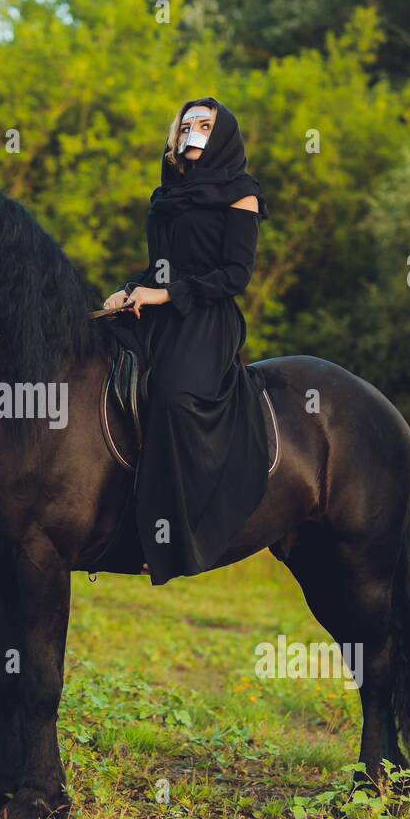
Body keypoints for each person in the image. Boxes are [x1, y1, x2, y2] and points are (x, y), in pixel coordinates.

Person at [102, 97, 271, 585]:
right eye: (186, 124)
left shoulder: (241, 194)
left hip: (205, 315)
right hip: (157, 307)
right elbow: (160, 264)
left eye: (205, 125)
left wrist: (165, 294)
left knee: (173, 398)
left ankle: (169, 537)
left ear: (222, 136)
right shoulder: (166, 194)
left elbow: (235, 275)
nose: (193, 131)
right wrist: (130, 288)